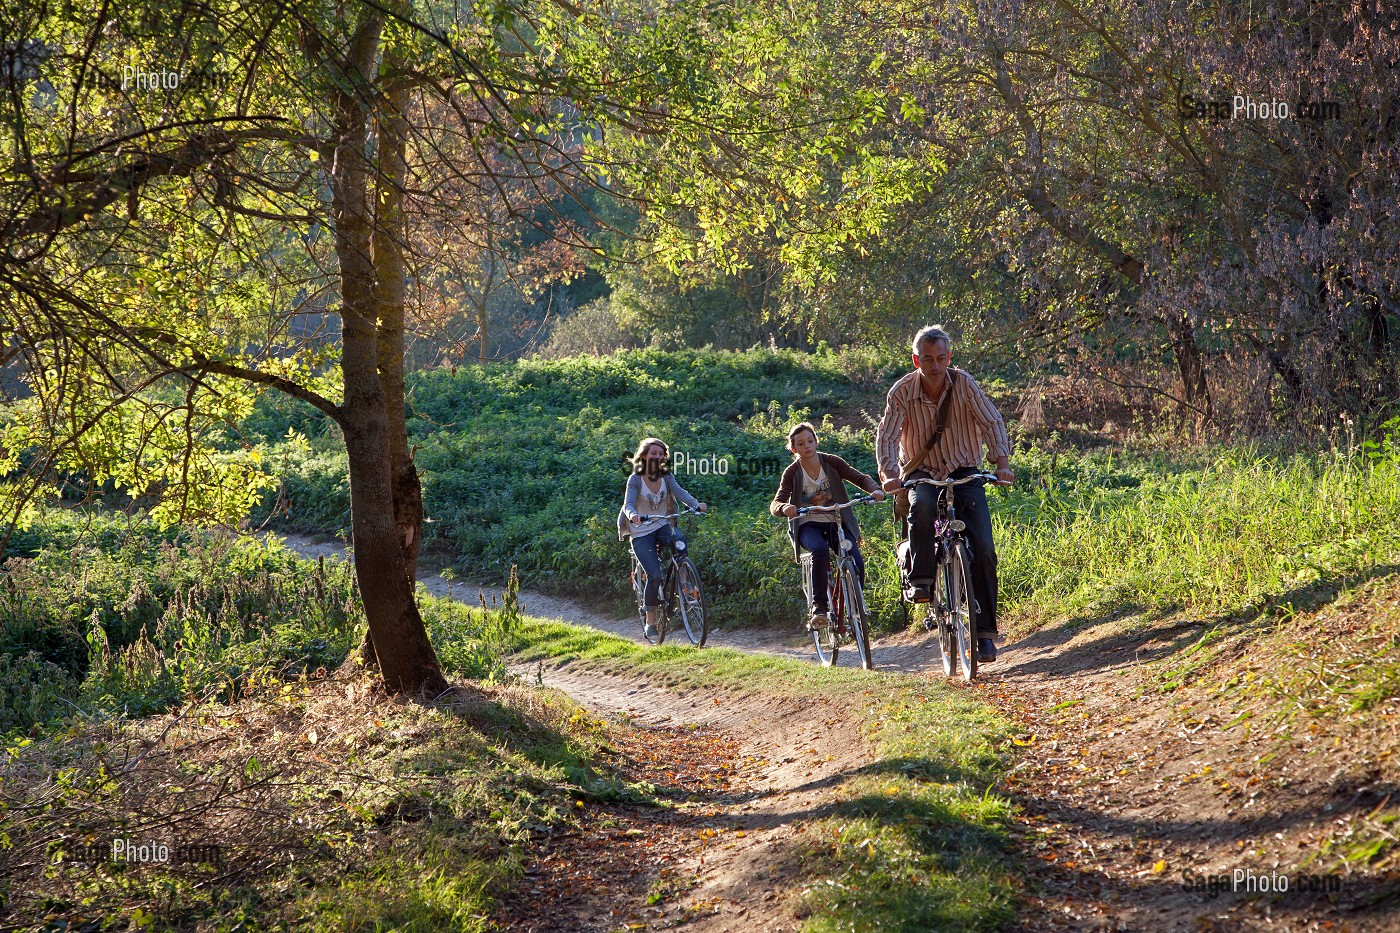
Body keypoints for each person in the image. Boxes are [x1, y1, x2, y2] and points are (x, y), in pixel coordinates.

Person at [876, 325, 1013, 663]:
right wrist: (889, 474)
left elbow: (991, 421)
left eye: (940, 358)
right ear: (915, 360)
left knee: (982, 546)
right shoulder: (902, 391)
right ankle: (921, 579)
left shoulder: (964, 384)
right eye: (927, 359)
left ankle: (984, 635)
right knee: (921, 504)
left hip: (964, 470)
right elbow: (888, 434)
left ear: (949, 358)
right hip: (921, 472)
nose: (934, 365)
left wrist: (1002, 464)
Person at [769, 422, 886, 631]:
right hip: (808, 525)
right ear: (794, 449)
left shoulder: (832, 462)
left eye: (810, 441)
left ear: (816, 441)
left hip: (836, 522)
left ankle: (854, 605)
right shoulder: (792, 472)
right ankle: (819, 608)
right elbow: (775, 503)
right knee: (819, 550)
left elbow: (859, 477)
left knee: (857, 562)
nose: (807, 446)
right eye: (801, 444)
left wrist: (875, 490)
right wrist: (785, 507)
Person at [617, 437, 707, 640]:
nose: (657, 457)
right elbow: (628, 504)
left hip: (661, 524)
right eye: (653, 453)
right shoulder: (635, 478)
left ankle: (684, 583)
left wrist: (695, 504)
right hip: (641, 532)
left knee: (680, 541)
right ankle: (650, 621)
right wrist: (633, 515)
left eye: (660, 454)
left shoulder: (666, 475)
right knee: (655, 576)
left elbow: (680, 492)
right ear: (644, 456)